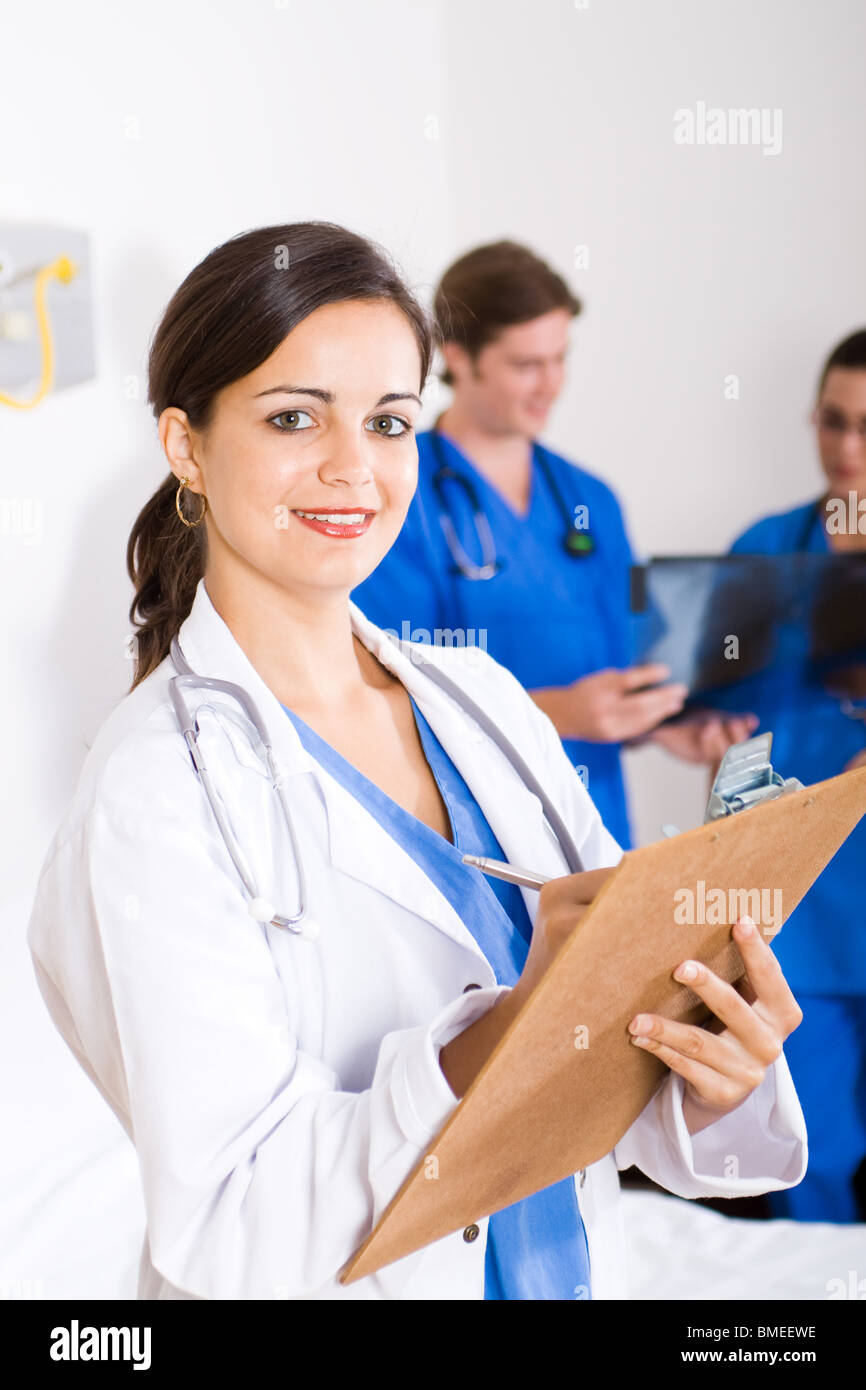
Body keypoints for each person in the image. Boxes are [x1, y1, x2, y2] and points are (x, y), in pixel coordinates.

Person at [28, 222, 806, 1301]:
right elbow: (235, 1226)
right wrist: (508, 1031)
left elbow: (616, 1068)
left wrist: (704, 1068)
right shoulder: (156, 787)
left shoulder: (479, 704)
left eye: (389, 421)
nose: (354, 467)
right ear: (184, 445)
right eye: (294, 417)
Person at [351, 240, 756, 850]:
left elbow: (624, 663)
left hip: (596, 830)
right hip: (476, 834)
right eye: (526, 365)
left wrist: (658, 724)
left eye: (560, 358)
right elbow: (383, 699)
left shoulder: (589, 498)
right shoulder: (403, 499)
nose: (552, 385)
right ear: (458, 356)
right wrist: (559, 715)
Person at [727, 329, 866, 1223]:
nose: (846, 448)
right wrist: (713, 725)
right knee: (809, 1141)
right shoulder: (764, 550)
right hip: (800, 898)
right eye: (834, 421)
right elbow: (723, 706)